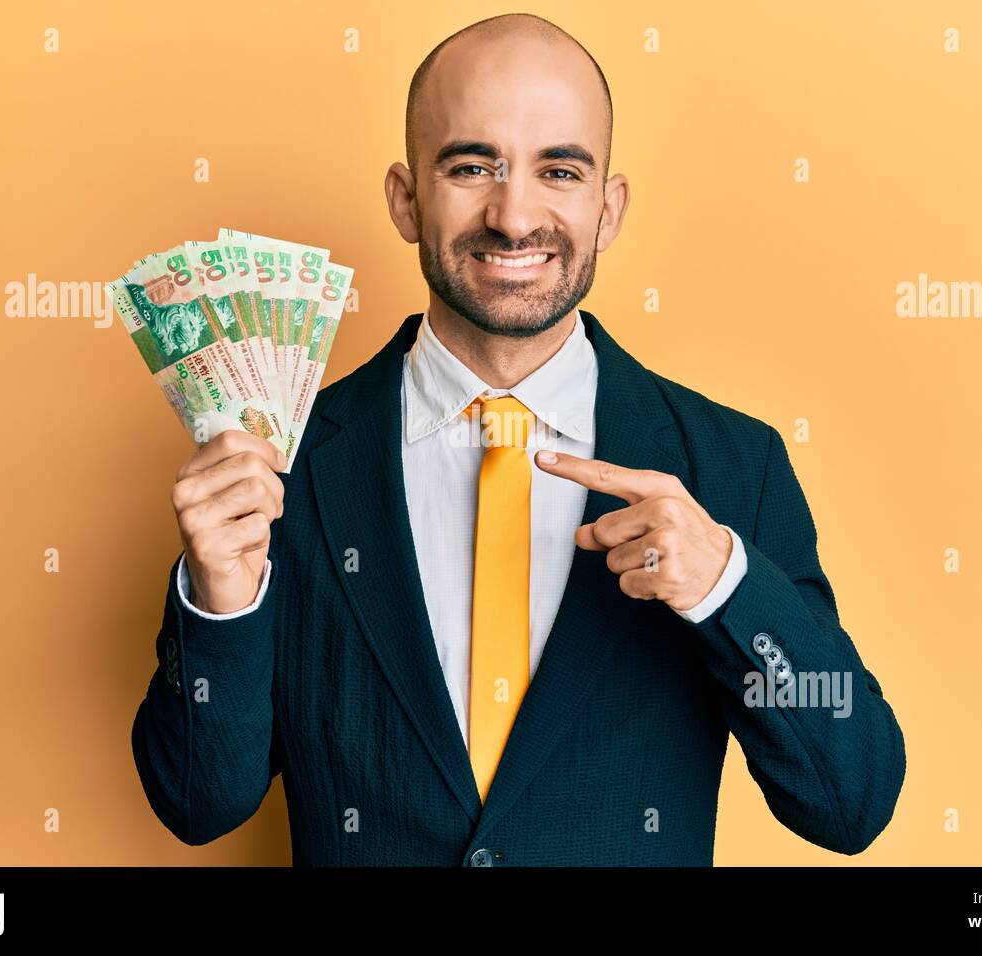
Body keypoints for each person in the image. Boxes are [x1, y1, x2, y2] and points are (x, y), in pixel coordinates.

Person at [131, 13, 906, 866]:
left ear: (607, 209)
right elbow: (199, 803)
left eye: (559, 170)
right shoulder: (288, 466)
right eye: (471, 166)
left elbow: (852, 798)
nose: (514, 215)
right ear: (404, 197)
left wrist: (726, 587)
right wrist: (220, 602)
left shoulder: (732, 465)